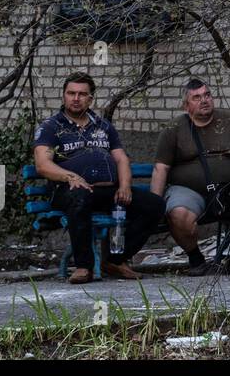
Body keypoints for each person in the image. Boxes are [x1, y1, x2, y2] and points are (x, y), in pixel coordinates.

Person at [33, 72, 166, 284]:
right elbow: (42, 164)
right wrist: (70, 176)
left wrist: (125, 187)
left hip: (105, 190)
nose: (76, 98)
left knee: (155, 205)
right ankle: (83, 267)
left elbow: (121, 159)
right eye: (71, 93)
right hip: (67, 190)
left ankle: (114, 260)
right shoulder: (51, 127)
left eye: (82, 94)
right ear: (64, 96)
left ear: (90, 99)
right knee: (80, 196)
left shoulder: (103, 126)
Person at [151, 78, 230, 276]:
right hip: (189, 192)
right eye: (197, 97)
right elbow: (161, 168)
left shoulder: (228, 119)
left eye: (207, 95)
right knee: (178, 213)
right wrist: (154, 204)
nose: (204, 100)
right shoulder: (174, 129)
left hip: (229, 190)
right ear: (186, 105)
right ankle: (196, 260)